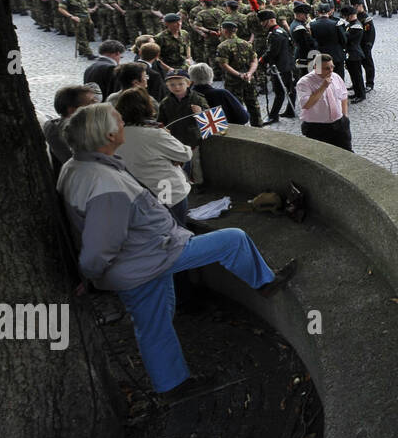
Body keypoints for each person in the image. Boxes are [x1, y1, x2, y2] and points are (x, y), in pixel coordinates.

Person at [57, 102, 297, 397]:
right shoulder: (105, 184)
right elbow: (99, 247)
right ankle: (266, 283)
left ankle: (172, 385)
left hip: (141, 261)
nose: (124, 127)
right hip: (148, 259)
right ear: (107, 136)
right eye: (119, 123)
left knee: (153, 323)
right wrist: (89, 276)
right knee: (233, 239)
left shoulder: (76, 167)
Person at [112, 87, 194, 226]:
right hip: (166, 193)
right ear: (147, 107)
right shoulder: (154, 134)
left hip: (135, 196)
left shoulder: (114, 134)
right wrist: (166, 136)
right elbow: (185, 154)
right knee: (177, 233)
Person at [295, 53, 353, 152]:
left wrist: (345, 116)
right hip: (317, 128)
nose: (331, 70)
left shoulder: (335, 77)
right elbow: (306, 104)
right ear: (315, 67)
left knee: (347, 153)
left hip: (340, 124)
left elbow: (343, 96)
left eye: (332, 67)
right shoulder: (304, 83)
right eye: (326, 68)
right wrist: (323, 87)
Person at [44, 84, 100, 177]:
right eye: (91, 102)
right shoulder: (61, 132)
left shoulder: (53, 126)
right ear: (73, 110)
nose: (97, 105)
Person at [213, 21, 263, 126]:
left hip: (233, 81)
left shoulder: (223, 46)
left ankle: (239, 129)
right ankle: (258, 126)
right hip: (249, 79)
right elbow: (254, 60)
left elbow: (224, 65)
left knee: (235, 105)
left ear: (225, 30)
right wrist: (249, 73)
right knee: (253, 103)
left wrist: (239, 74)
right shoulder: (246, 44)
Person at [259, 9, 296, 123]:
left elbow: (272, 52)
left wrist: (261, 60)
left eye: (263, 21)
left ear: (271, 21)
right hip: (287, 65)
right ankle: (290, 111)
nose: (261, 24)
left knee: (279, 92)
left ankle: (273, 116)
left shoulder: (276, 34)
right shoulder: (279, 31)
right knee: (290, 89)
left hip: (280, 67)